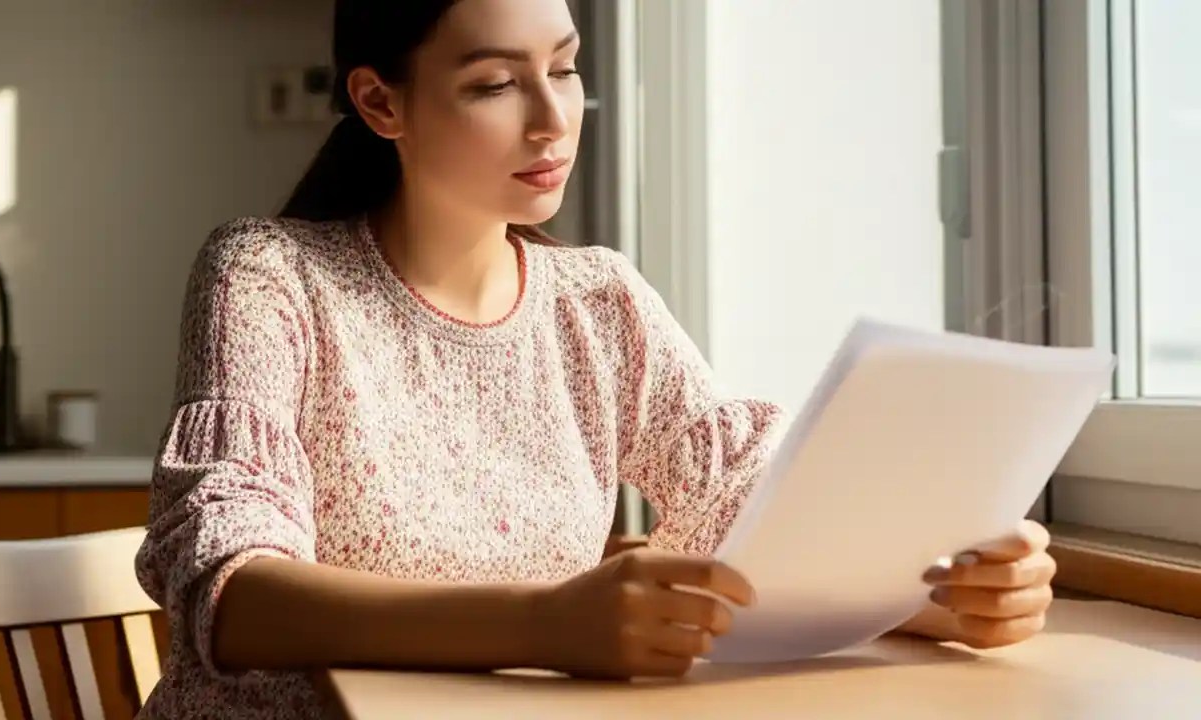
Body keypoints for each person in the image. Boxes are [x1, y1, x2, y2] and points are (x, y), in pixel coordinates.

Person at [134, 0, 1057, 717]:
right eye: (496, 84)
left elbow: (752, 509)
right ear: (381, 101)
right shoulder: (268, 273)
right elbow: (230, 596)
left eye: (567, 69)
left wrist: (937, 593)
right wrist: (547, 620)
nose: (552, 120)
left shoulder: (599, 303)